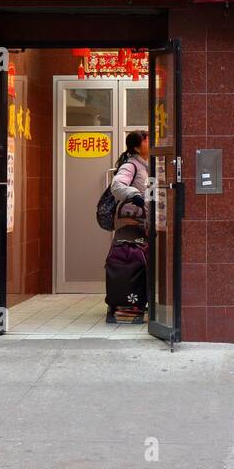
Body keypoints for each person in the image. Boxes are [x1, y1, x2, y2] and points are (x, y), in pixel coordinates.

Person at [106, 131, 150, 324]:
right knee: (128, 259)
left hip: (144, 221)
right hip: (130, 222)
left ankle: (136, 298)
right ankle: (123, 301)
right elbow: (117, 185)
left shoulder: (149, 165)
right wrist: (134, 194)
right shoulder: (131, 165)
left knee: (140, 260)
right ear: (136, 147)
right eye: (147, 140)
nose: (151, 142)